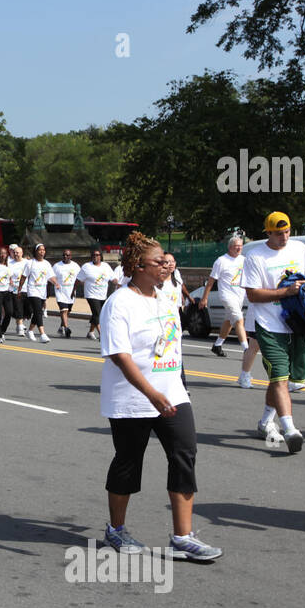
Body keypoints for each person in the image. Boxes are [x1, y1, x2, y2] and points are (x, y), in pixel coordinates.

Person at [99, 231, 221, 561]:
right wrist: (150, 393)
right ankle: (116, 529)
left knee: (184, 454)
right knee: (128, 462)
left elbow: (171, 343)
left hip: (173, 394)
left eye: (167, 260)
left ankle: (182, 537)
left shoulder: (164, 296)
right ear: (139, 266)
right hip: (133, 398)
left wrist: (171, 388)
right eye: (159, 261)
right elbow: (120, 355)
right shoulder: (119, 304)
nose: (166, 265)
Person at [241, 211, 305, 453]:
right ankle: (290, 429)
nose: (284, 237)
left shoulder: (298, 249)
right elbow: (253, 294)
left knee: (286, 379)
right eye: (278, 233)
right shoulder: (256, 256)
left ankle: (266, 421)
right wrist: (285, 293)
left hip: (296, 323)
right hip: (269, 325)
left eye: (287, 232)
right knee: (279, 375)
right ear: (268, 232)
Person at [201, 236, 248, 358]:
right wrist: (204, 298)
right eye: (236, 246)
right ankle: (246, 349)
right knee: (239, 319)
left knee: (229, 321)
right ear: (230, 247)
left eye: (240, 246)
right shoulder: (221, 261)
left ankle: (217, 345)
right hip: (227, 296)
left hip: (240, 296)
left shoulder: (244, 260)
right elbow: (211, 282)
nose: (238, 248)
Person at [19, 243, 56, 343]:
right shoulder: (30, 263)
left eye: (43, 250)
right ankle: (42, 334)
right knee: (38, 311)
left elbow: (51, 276)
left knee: (37, 312)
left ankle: (30, 330)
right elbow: (23, 277)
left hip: (42, 291)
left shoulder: (47, 264)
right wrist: (19, 288)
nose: (42, 251)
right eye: (40, 250)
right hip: (32, 290)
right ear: (35, 251)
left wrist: (56, 283)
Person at [77, 250, 115, 340]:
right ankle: (101, 334)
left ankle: (90, 332)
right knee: (97, 313)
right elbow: (79, 280)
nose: (95, 256)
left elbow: (113, 279)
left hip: (102, 294)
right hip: (91, 294)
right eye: (93, 255)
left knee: (97, 314)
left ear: (101, 256)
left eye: (97, 255)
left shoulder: (106, 266)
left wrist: (121, 285)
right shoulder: (86, 267)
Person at [52, 248, 80, 338]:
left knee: (68, 311)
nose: (65, 256)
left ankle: (62, 326)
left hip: (71, 292)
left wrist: (75, 289)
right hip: (60, 291)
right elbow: (51, 277)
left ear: (70, 256)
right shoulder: (57, 266)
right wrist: (54, 284)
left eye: (67, 255)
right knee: (63, 310)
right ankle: (67, 328)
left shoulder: (75, 266)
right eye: (64, 255)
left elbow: (79, 279)